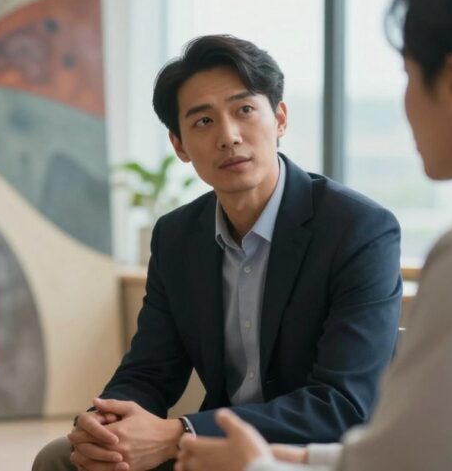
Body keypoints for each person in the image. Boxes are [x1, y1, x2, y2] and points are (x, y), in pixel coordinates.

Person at [176, 0, 452, 471]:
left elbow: (410, 465)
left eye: (408, 75)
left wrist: (256, 467)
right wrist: (294, 458)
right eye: (204, 120)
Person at [33, 35, 403, 471]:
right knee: (64, 458)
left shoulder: (358, 230)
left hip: (304, 455)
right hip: (211, 451)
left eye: (244, 110)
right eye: (204, 121)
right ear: (180, 145)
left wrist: (180, 434)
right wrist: (105, 426)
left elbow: (342, 405)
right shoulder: (176, 237)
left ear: (280, 119)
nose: (228, 136)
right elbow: (150, 370)